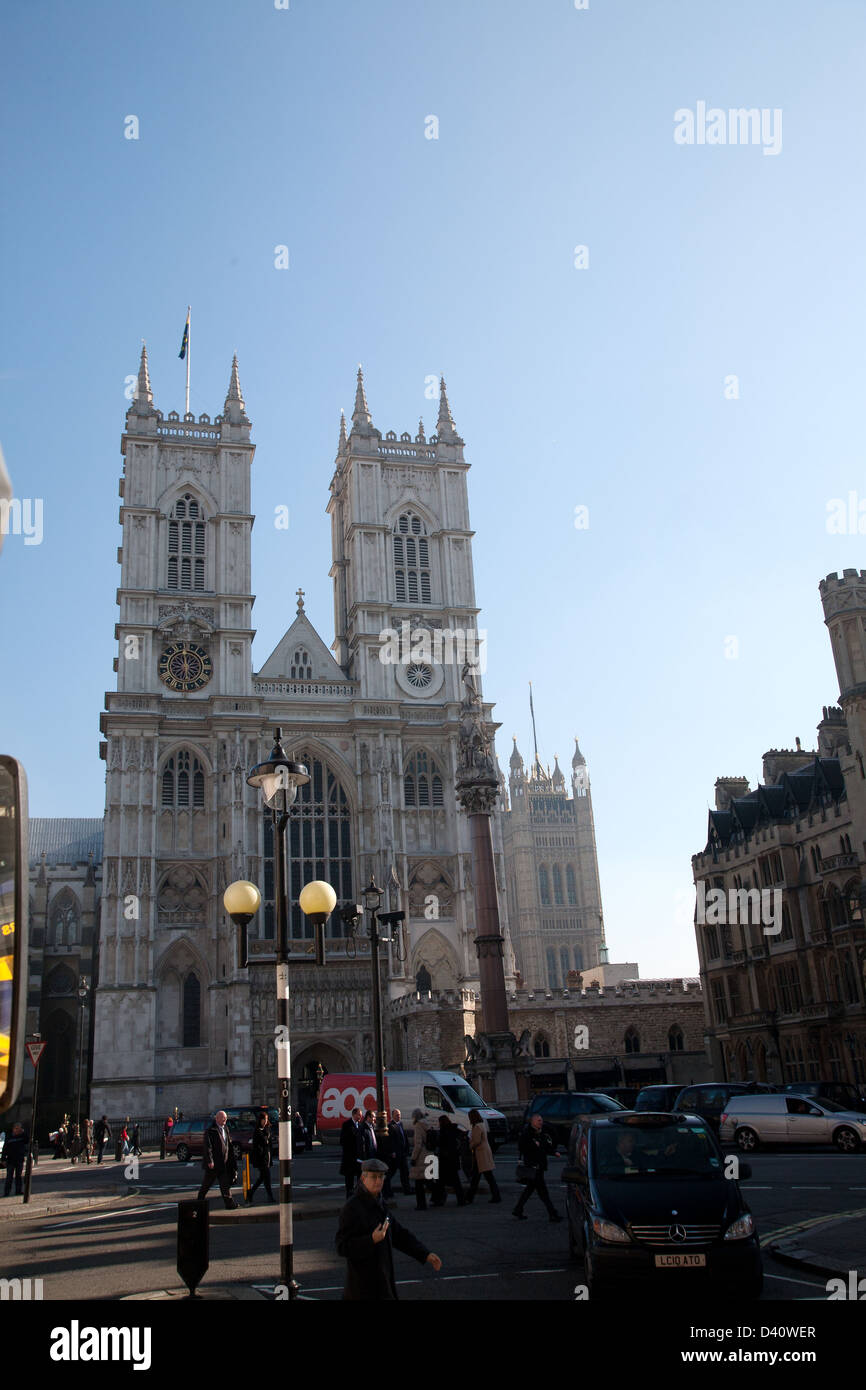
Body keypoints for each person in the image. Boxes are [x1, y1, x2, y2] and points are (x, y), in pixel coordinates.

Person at [335, 1158, 442, 1300]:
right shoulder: (352, 1208)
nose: (378, 1181)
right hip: (362, 1288)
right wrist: (371, 1240)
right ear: (363, 1178)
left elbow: (398, 1234)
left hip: (383, 1283)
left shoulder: (379, 1203)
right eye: (373, 1177)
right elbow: (342, 1246)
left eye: (381, 1177)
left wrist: (424, 1254)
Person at [513, 1112, 563, 1222]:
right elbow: (523, 1147)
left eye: (541, 1120)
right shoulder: (527, 1134)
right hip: (533, 1166)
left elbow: (545, 1147)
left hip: (539, 1166)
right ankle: (552, 1213)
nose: (541, 1122)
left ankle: (518, 1209)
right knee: (543, 1192)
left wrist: (554, 1152)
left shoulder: (540, 1133)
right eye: (539, 1121)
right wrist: (534, 1146)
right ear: (533, 1122)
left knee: (530, 1189)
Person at [196, 1110, 238, 1209]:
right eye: (223, 1118)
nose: (225, 1119)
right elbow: (208, 1147)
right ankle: (198, 1202)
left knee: (225, 1184)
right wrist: (210, 1160)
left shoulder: (225, 1129)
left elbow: (228, 1145)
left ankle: (229, 1204)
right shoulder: (211, 1131)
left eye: (226, 1118)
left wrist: (232, 1161)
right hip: (214, 1164)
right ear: (217, 1119)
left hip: (223, 1163)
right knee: (206, 1185)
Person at [465, 1109, 501, 1204]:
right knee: (486, 1177)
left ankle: (470, 1197)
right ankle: (495, 1195)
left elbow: (476, 1141)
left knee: (479, 1177)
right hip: (484, 1152)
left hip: (481, 1154)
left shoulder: (476, 1126)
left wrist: (470, 1145)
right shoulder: (482, 1124)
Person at [431, 1114, 466, 1206]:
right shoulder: (454, 1128)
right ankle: (461, 1200)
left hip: (445, 1160)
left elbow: (439, 1144)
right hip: (453, 1159)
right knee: (456, 1182)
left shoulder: (443, 1131)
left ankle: (439, 1200)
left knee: (440, 1182)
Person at [247, 1112, 275, 1204]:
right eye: (264, 1120)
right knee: (267, 1177)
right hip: (261, 1158)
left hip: (267, 1157)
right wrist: (267, 1138)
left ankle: (250, 1193)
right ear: (260, 1120)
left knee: (262, 1178)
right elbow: (262, 1143)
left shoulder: (266, 1129)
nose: (265, 1121)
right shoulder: (257, 1131)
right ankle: (270, 1196)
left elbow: (269, 1143)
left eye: (266, 1119)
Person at [409, 1109, 434, 1211]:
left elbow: (418, 1144)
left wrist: (413, 1158)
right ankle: (439, 1195)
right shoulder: (428, 1124)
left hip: (422, 1157)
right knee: (429, 1180)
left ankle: (421, 1204)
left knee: (419, 1182)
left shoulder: (418, 1126)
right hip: (430, 1154)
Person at [339, 1107, 364, 1198]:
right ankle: (349, 1195)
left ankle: (358, 1195)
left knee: (359, 1177)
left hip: (359, 1157)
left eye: (360, 1116)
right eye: (358, 1115)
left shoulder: (360, 1125)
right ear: (354, 1115)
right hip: (350, 1157)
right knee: (349, 1178)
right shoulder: (347, 1125)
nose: (360, 1117)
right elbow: (343, 1141)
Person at [387, 1109, 412, 1196]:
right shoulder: (391, 1126)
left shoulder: (400, 1124)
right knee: (391, 1172)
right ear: (392, 1115)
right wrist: (392, 1152)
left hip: (402, 1153)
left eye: (399, 1114)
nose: (399, 1116)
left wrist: (407, 1148)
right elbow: (391, 1141)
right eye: (397, 1115)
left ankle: (407, 1189)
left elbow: (404, 1137)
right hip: (396, 1154)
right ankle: (387, 1190)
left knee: (405, 1173)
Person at [3, 1123, 28, 1197]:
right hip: (11, 1159)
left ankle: (18, 1191)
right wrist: (3, 1159)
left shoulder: (22, 1136)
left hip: (19, 1159)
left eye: (19, 1128)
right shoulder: (9, 1137)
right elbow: (5, 1148)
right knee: (9, 1177)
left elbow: (27, 1140)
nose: (18, 1130)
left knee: (18, 1176)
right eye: (16, 1128)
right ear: (13, 1129)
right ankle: (6, 1192)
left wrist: (23, 1133)